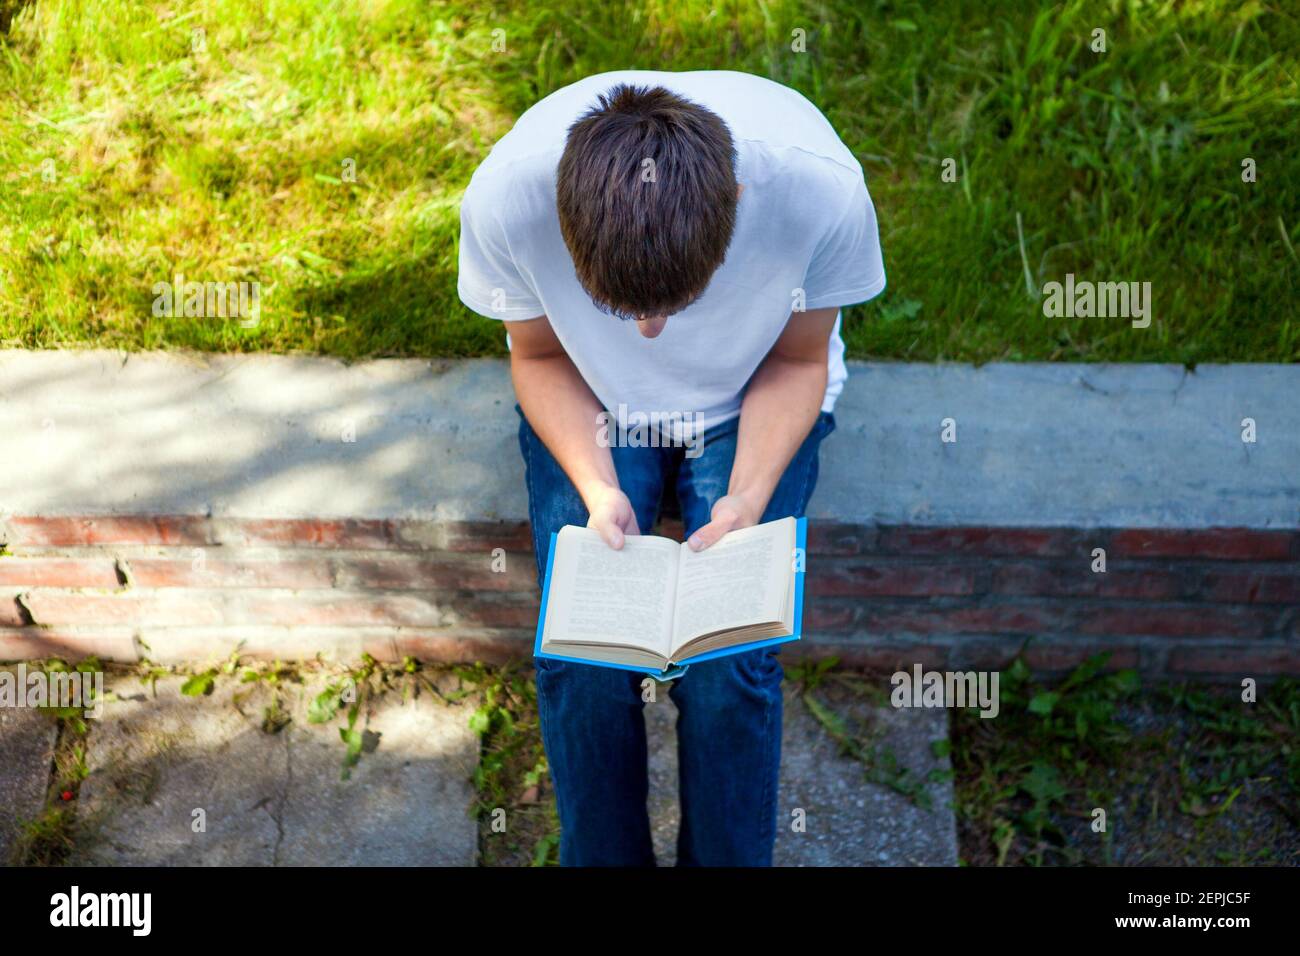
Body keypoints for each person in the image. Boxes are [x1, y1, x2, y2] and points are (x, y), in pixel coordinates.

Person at [457, 70, 886, 866]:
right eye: (625, 311)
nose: (650, 333)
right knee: (580, 655)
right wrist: (597, 488)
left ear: (736, 209)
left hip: (748, 400)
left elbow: (798, 362)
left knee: (730, 661)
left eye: (675, 305)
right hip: (596, 401)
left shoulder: (816, 189)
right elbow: (541, 353)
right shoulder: (508, 198)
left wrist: (748, 498)